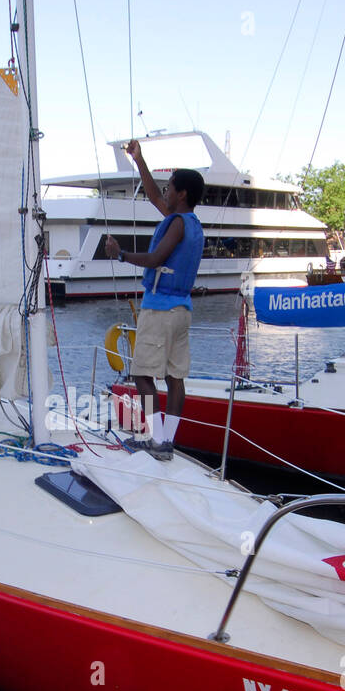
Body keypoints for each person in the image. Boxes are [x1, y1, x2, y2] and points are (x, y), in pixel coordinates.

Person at [103, 139, 205, 462]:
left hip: (160, 309)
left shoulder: (175, 224)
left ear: (182, 193)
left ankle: (158, 441)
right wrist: (139, 159)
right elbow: (153, 196)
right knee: (175, 378)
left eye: (171, 187)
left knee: (142, 375)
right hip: (182, 310)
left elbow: (156, 258)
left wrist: (120, 255)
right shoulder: (190, 223)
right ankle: (168, 441)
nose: (166, 192)